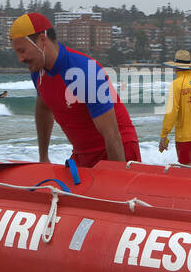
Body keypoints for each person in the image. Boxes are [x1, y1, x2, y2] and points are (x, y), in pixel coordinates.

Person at [8, 12, 139, 166]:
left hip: (119, 150)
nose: (20, 59)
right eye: (17, 52)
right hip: (82, 153)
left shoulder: (84, 71)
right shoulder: (38, 71)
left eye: (22, 51)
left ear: (42, 40)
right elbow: (43, 107)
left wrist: (117, 180)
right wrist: (43, 157)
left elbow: (112, 135)